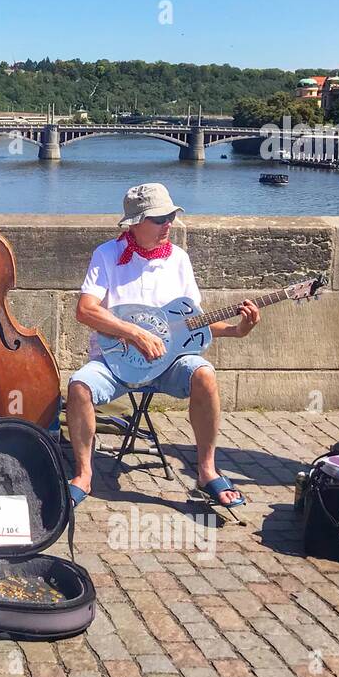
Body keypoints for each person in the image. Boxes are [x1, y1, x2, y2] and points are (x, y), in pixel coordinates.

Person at [65, 182, 261, 507]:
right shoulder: (107, 255)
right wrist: (134, 333)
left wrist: (237, 330)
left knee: (205, 375)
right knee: (79, 386)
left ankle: (207, 471)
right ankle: (84, 474)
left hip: (169, 363)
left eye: (171, 216)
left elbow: (193, 319)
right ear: (135, 222)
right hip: (116, 363)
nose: (168, 224)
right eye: (159, 219)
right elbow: (85, 310)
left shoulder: (179, 259)